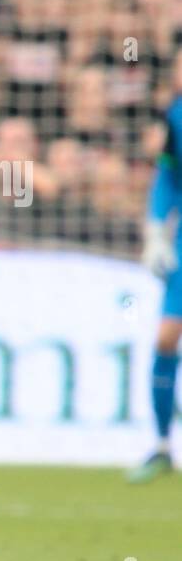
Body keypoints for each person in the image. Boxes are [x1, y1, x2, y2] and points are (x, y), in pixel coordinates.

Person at [128, 77, 182, 483]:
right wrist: (154, 230)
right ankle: (163, 445)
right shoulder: (176, 116)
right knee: (166, 337)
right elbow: (167, 176)